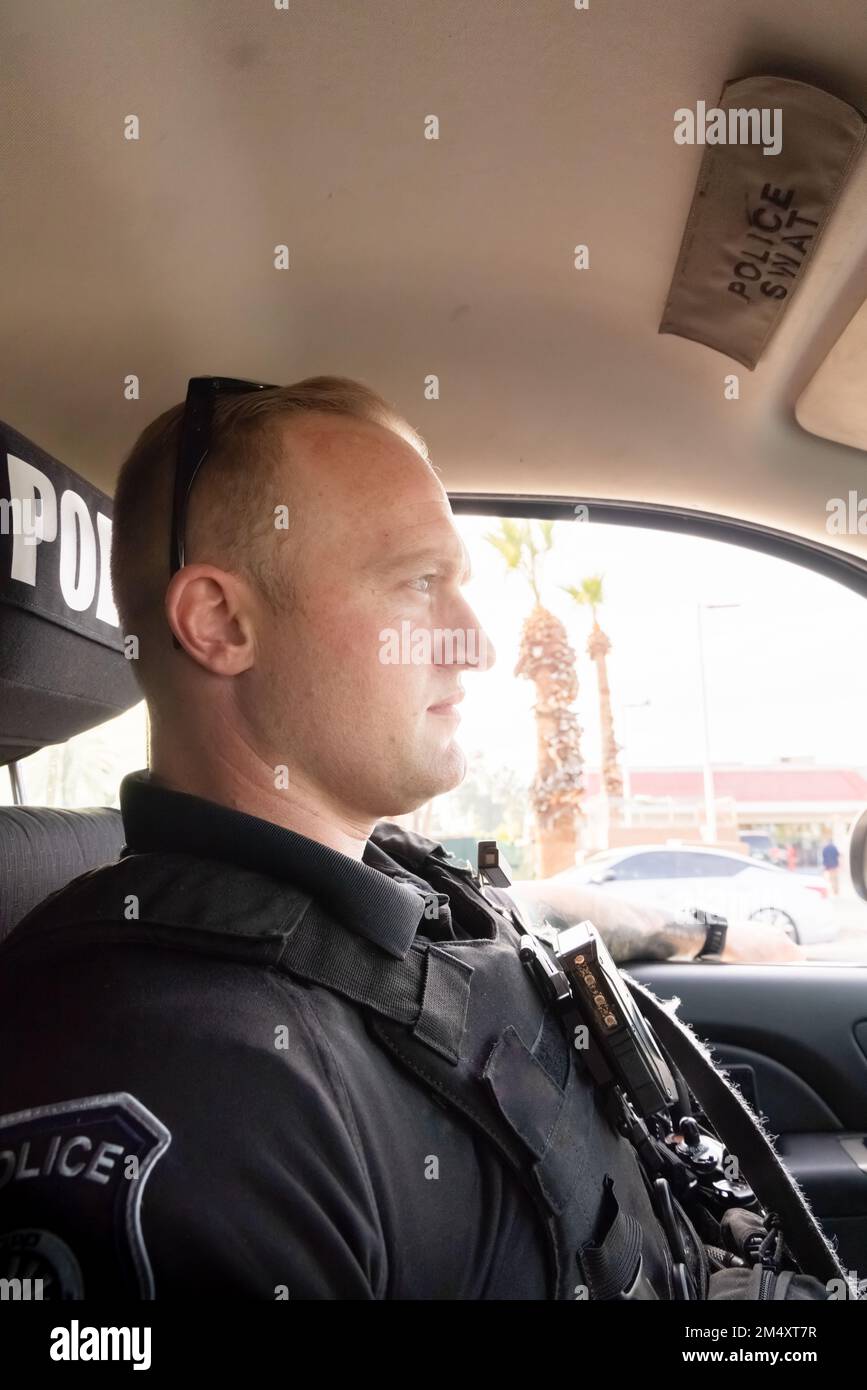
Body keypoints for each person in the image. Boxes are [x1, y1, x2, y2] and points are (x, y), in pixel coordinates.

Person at [0, 377, 799, 1300]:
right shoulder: (191, 1087)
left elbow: (531, 912)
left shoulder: (381, 891)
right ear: (221, 622)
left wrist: (705, 933)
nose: (477, 644)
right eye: (419, 584)